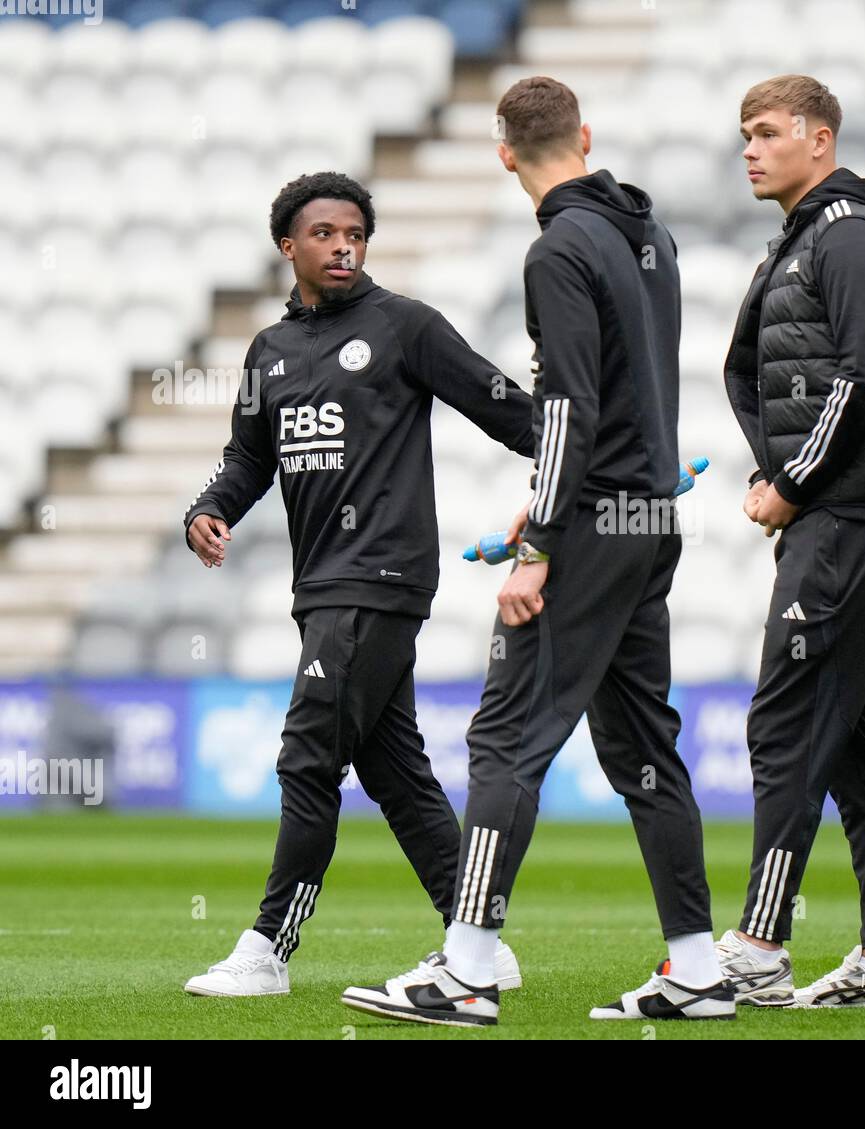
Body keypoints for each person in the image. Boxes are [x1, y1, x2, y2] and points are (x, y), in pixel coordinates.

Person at [341, 78, 733, 1028]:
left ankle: (468, 967)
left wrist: (545, 539)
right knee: (644, 746)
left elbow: (565, 407)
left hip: (593, 525)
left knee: (505, 739)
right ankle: (697, 966)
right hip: (647, 520)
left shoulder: (557, 249)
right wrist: (550, 505)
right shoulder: (652, 236)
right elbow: (626, 398)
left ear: (503, 152)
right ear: (586, 137)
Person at [182, 172, 535, 998]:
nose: (344, 245)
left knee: (308, 759)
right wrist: (209, 506)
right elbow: (250, 458)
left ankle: (269, 946)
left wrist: (585, 466)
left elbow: (507, 410)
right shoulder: (270, 350)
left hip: (380, 576)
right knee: (395, 768)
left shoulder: (405, 326)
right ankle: (475, 933)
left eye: (355, 233)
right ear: (289, 246)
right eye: (325, 233)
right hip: (324, 587)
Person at [715, 75, 865, 1009]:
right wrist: (783, 478)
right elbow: (774, 374)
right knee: (855, 742)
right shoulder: (812, 239)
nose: (751, 150)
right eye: (744, 137)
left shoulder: (844, 237)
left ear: (820, 138)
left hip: (850, 517)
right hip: (853, 516)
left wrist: (792, 484)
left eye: (766, 134)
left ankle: (760, 946)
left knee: (787, 724)